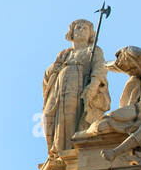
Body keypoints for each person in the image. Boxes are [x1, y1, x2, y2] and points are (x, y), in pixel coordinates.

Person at [41, 19, 109, 160]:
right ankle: (55, 153)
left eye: (85, 28)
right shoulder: (64, 54)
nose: (81, 30)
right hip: (58, 89)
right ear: (71, 32)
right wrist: (56, 68)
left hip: (77, 86)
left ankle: (70, 153)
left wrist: (93, 85)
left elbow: (100, 68)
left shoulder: (93, 50)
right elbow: (48, 74)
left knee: (71, 116)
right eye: (78, 27)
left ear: (91, 34)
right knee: (48, 117)